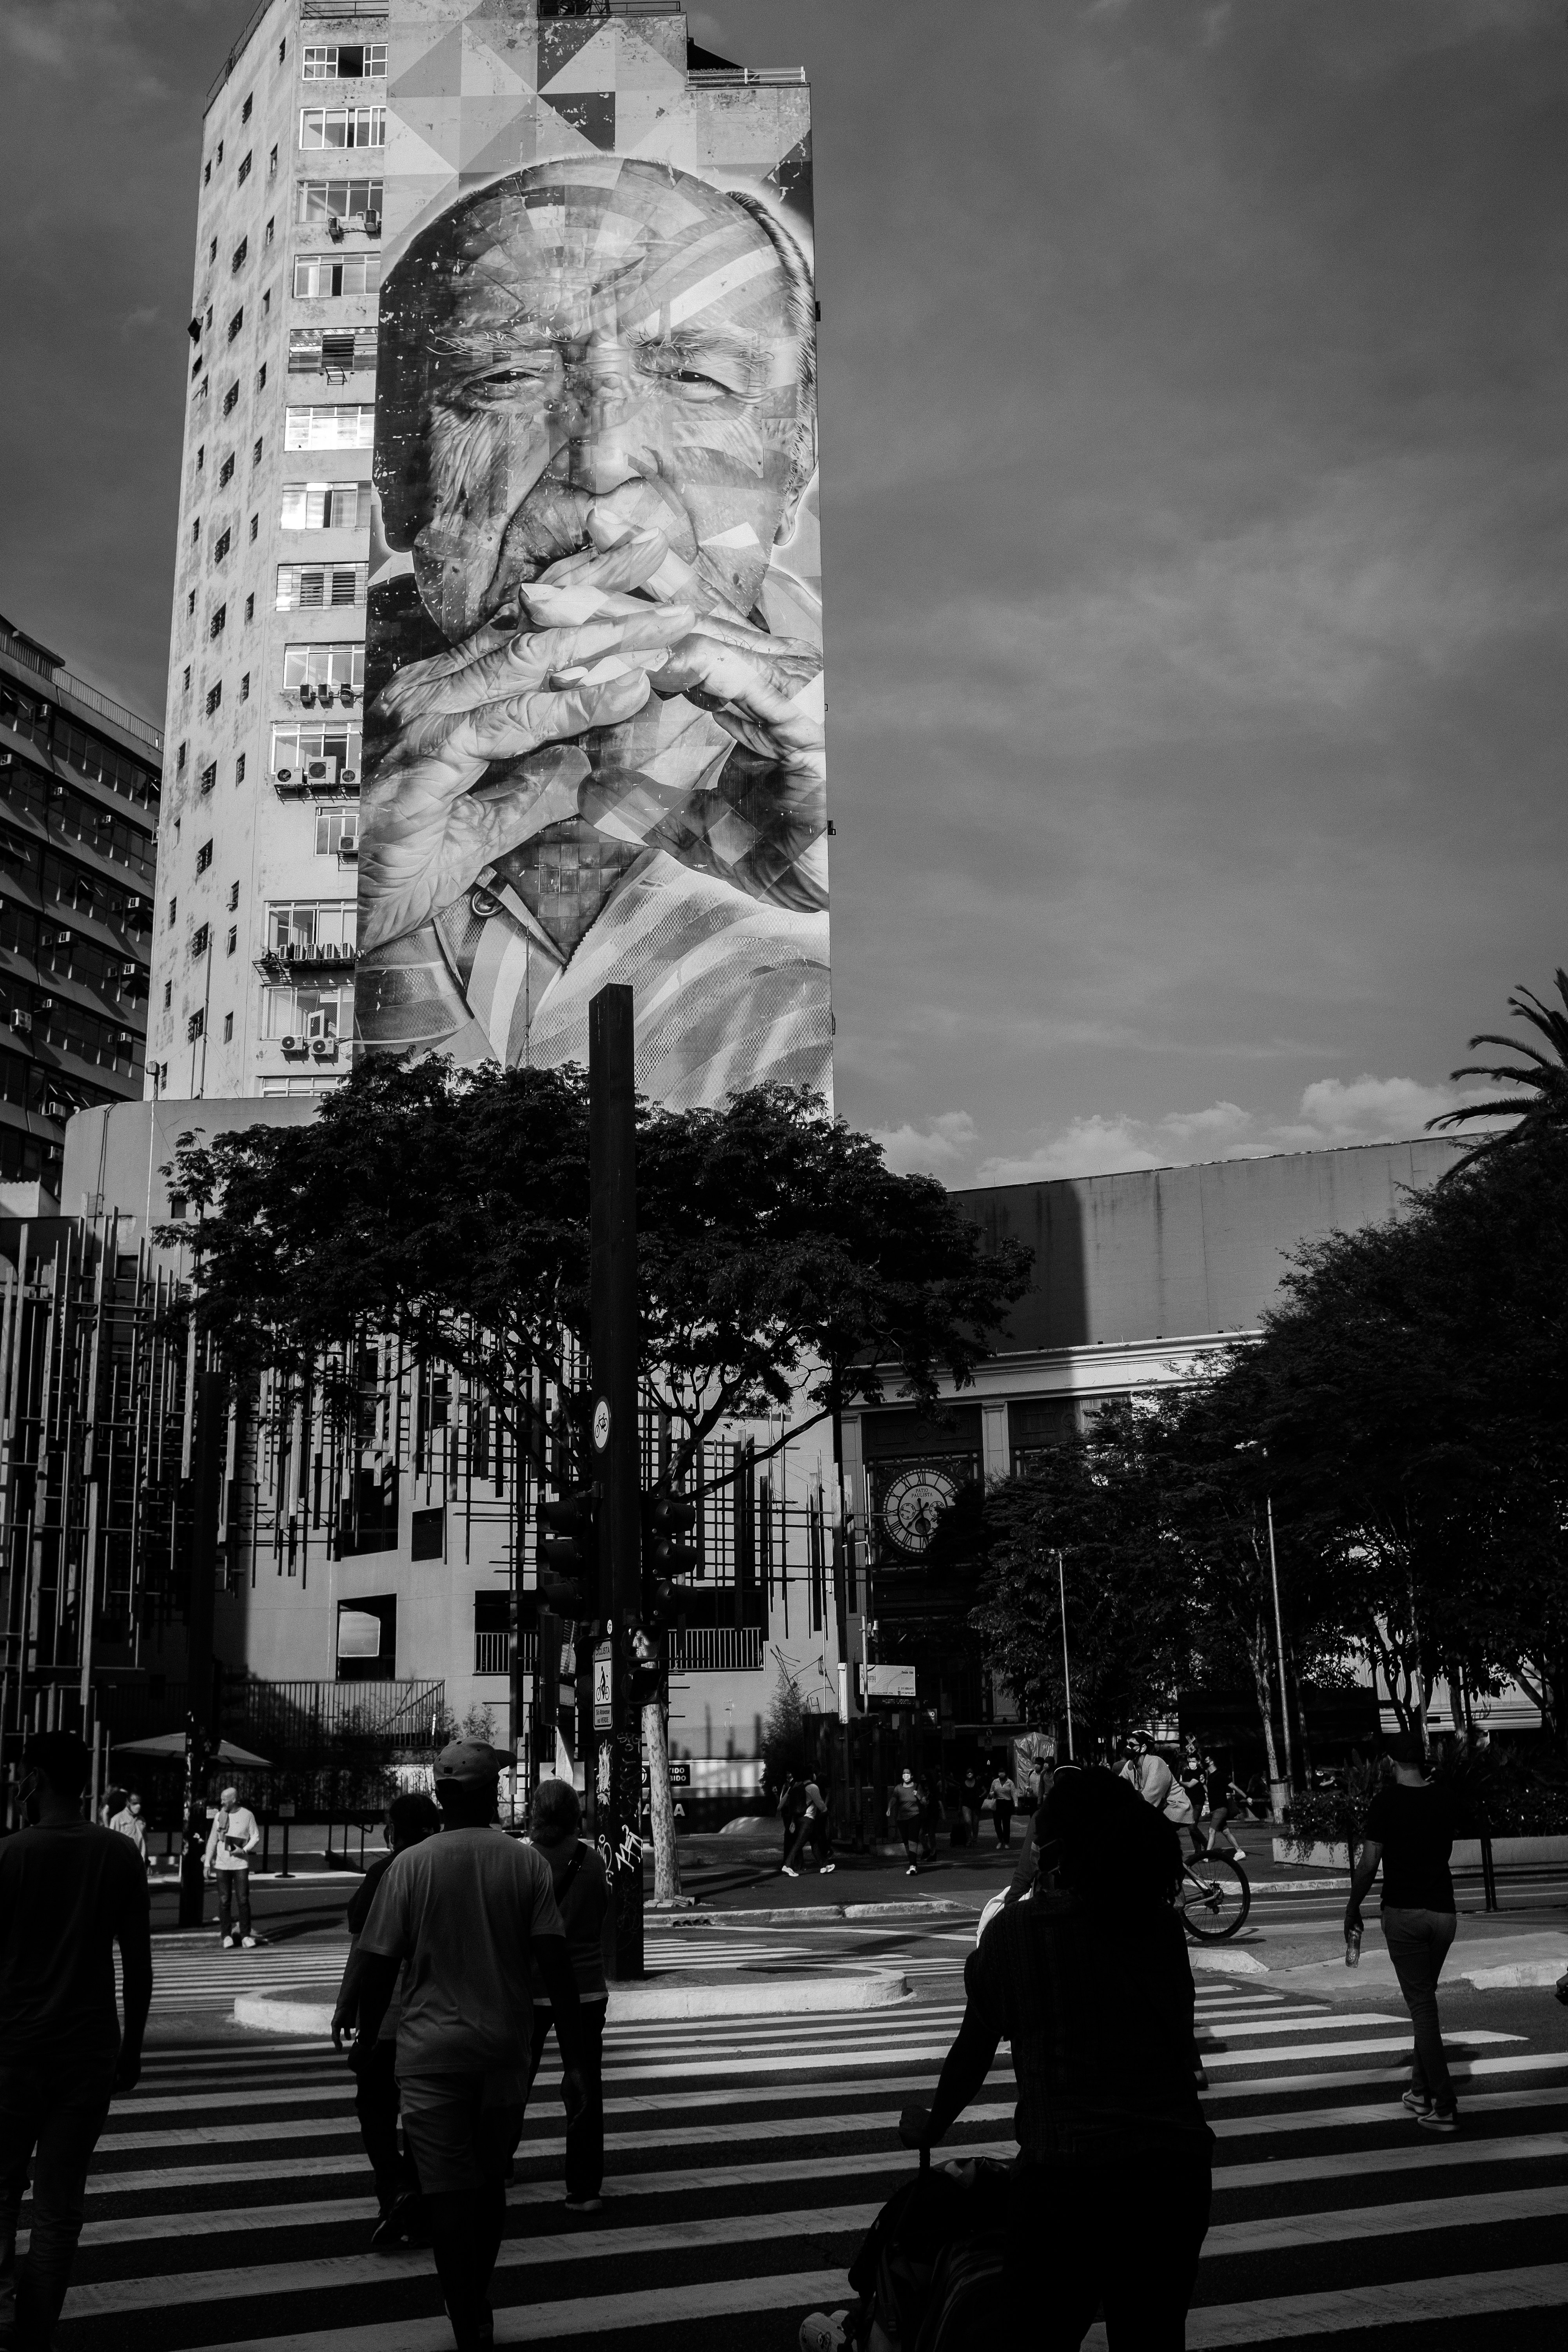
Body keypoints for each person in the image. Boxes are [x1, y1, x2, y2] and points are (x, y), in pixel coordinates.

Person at [358, 156, 828, 1107]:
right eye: (504, 378)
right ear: (396, 470)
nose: (601, 463)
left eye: (698, 378)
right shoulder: (310, 765)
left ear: (796, 457)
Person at [900, 1768, 1211, 2348]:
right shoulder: (1161, 1928)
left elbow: (973, 2051)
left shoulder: (1019, 1933)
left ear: (1061, 1847)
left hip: (1068, 2186)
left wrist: (931, 2125)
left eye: (1041, 1839)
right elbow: (1176, 2035)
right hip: (1173, 2178)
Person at [350, 1739, 587, 2352]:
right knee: (488, 2186)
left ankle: (465, 2314)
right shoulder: (525, 1863)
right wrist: (578, 2060)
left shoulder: (410, 1866)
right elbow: (555, 1966)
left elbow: (378, 1964)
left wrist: (366, 2041)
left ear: (441, 1794)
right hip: (505, 2052)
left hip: (429, 2055)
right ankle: (476, 2294)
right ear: (488, 1794)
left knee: (448, 2195)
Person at [0, 1730, 151, 2351]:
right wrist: (132, 2046)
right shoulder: (117, 1854)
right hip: (88, 2051)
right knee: (61, 2209)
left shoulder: (8, 1856)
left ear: (35, 1779)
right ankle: (35, 2336)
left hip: (11, 2050)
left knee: (3, 2190)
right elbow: (138, 1964)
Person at [332, 1790, 443, 2248]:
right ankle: (411, 2200)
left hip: (388, 2015)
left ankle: (394, 2190)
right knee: (420, 2115)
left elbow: (364, 1949)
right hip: (435, 2017)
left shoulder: (383, 1873)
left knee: (375, 2109)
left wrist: (346, 2006)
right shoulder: (444, 1866)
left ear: (394, 1830)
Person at [1345, 1734, 1463, 2133]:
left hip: (1404, 1914)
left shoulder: (1386, 1802)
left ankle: (1444, 2105)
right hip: (1444, 1914)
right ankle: (1419, 2091)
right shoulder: (1446, 1798)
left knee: (1422, 2007)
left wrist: (1351, 1907)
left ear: (1392, 1763)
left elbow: (1368, 1864)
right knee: (1424, 2001)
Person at [526, 1779, 609, 2215]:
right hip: (587, 1988)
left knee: (516, 2079)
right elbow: (600, 1914)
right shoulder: (592, 1862)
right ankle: (584, 2188)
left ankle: (499, 2162)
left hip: (534, 1989)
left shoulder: (525, 1862)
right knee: (585, 2082)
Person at [204, 1784, 261, 1948]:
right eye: (221, 1799)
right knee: (224, 1900)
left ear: (234, 1800)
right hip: (222, 1865)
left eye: (225, 1800)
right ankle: (226, 1935)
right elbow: (212, 1840)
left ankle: (245, 1935)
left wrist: (243, 1850)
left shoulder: (247, 1815)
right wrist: (207, 1863)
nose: (222, 1802)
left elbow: (255, 1836)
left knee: (243, 1900)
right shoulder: (219, 1816)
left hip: (240, 1864)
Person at [782, 1775, 834, 1876]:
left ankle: (824, 1865)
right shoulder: (813, 1787)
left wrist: (793, 1821)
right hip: (808, 1821)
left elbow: (793, 1806)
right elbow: (822, 1807)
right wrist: (825, 1811)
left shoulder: (798, 1787)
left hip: (800, 1819)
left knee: (815, 1843)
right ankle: (787, 1865)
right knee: (799, 1844)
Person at [1198, 1753, 1245, 1862]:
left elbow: (1235, 1787)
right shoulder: (1210, 1777)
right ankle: (1240, 1852)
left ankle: (1207, 1855)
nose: (1204, 1762)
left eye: (1206, 1760)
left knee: (1211, 1831)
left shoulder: (1220, 1775)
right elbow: (1210, 1793)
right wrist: (1203, 1784)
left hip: (1221, 1808)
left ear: (1212, 1762)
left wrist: (1247, 1797)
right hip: (1215, 1809)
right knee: (1226, 1832)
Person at [887, 1770, 923, 1875]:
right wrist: (889, 1808)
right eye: (904, 1774)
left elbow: (924, 1801)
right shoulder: (898, 1788)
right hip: (902, 1819)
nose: (906, 1776)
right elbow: (894, 1799)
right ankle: (913, 1864)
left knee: (913, 1840)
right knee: (907, 1842)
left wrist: (919, 1796)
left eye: (908, 1774)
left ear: (912, 1776)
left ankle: (912, 1865)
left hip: (915, 1816)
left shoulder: (917, 1787)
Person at [108, 1791, 149, 1872]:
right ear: (128, 1803)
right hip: (124, 1864)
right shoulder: (117, 1820)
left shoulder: (142, 1821)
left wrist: (147, 1862)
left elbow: (144, 1842)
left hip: (140, 1864)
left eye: (140, 1803)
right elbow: (111, 1844)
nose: (138, 1806)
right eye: (135, 1803)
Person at [989, 1765, 1017, 1850]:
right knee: (997, 1823)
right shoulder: (995, 1782)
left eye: (1003, 1772)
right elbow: (991, 1792)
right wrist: (992, 1794)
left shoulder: (1010, 1783)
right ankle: (1000, 1840)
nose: (1001, 1774)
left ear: (1006, 1773)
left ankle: (1007, 1842)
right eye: (1000, 1772)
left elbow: (1014, 1794)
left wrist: (1016, 1804)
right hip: (998, 1803)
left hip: (1007, 1804)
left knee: (1006, 1824)